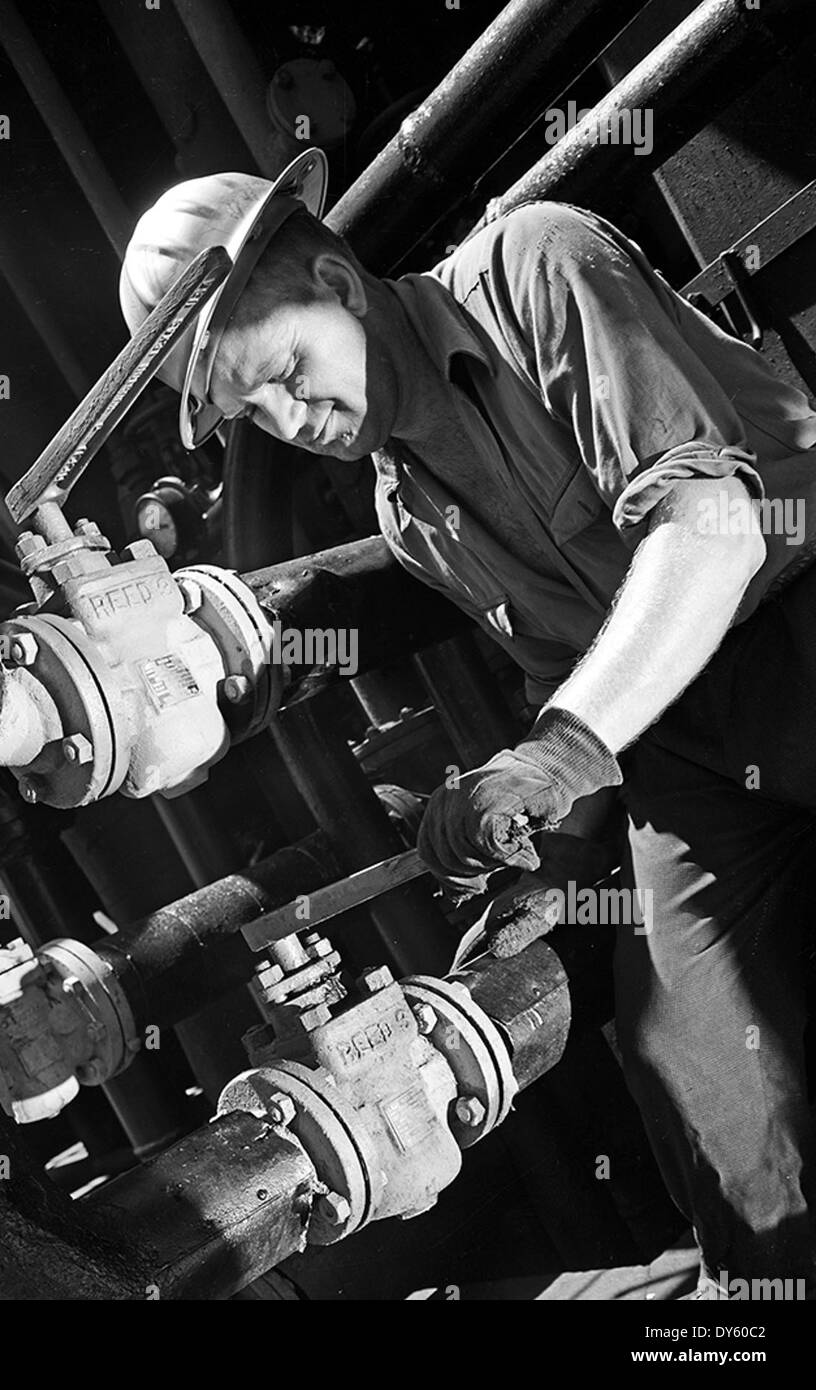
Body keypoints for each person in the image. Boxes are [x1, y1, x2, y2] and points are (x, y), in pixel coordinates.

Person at [120, 148, 816, 1295]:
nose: (290, 420)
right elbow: (601, 688)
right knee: (687, 1054)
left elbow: (712, 528)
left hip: (797, 607)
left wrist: (558, 749)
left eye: (285, 370)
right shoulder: (409, 517)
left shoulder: (534, 264)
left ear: (339, 284)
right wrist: (526, 850)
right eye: (255, 412)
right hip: (686, 748)